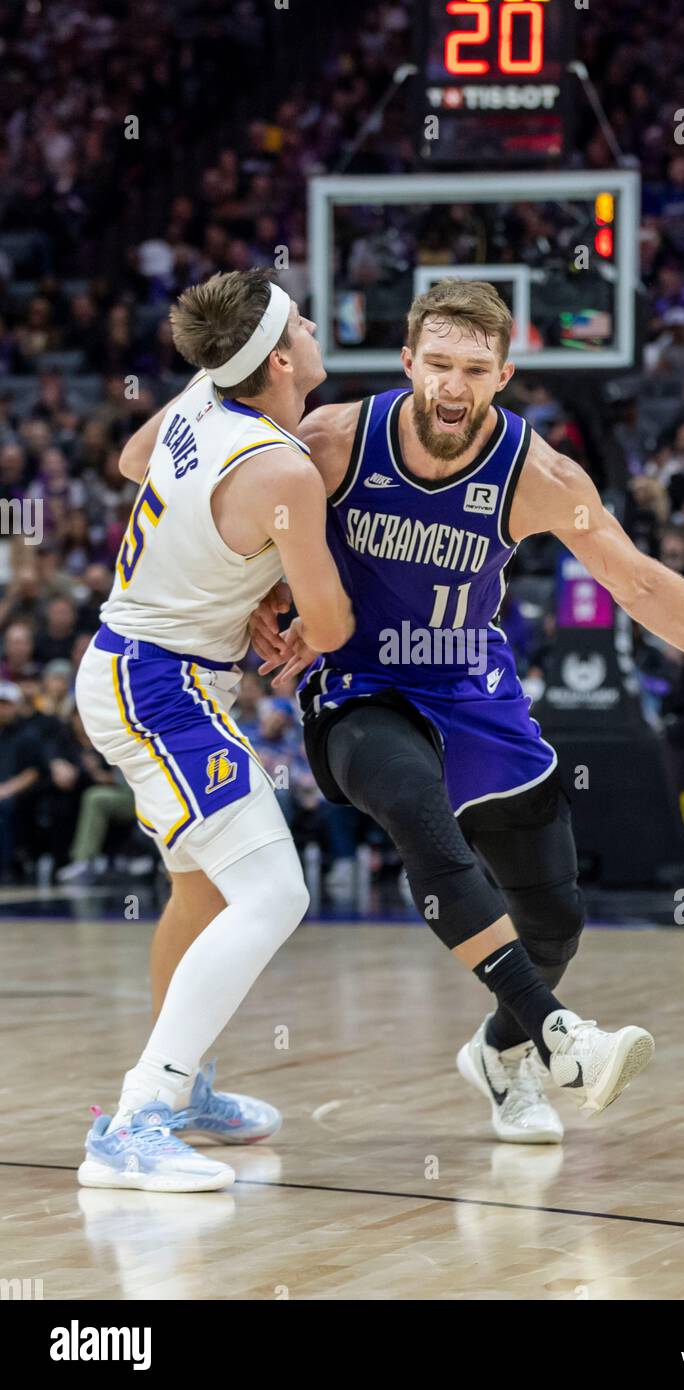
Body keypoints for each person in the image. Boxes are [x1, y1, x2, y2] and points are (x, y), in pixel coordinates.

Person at [248, 279, 684, 1144]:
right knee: (411, 803)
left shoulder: (540, 475)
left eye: (473, 368)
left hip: (472, 682)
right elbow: (233, 515)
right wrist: (257, 599)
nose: (452, 385)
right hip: (360, 684)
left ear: (505, 373)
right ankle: (567, 1039)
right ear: (408, 362)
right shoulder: (331, 440)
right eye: (437, 364)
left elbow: (637, 583)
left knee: (554, 920)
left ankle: (500, 1054)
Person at [73, 268, 354, 1191]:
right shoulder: (284, 469)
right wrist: (275, 591)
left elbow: (131, 460)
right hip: (160, 686)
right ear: (279, 357)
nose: (316, 327)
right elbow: (334, 624)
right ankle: (138, 1117)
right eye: (303, 321)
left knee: (198, 899)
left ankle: (181, 1089)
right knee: (276, 893)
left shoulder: (202, 392)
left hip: (140, 664)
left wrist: (235, 578)